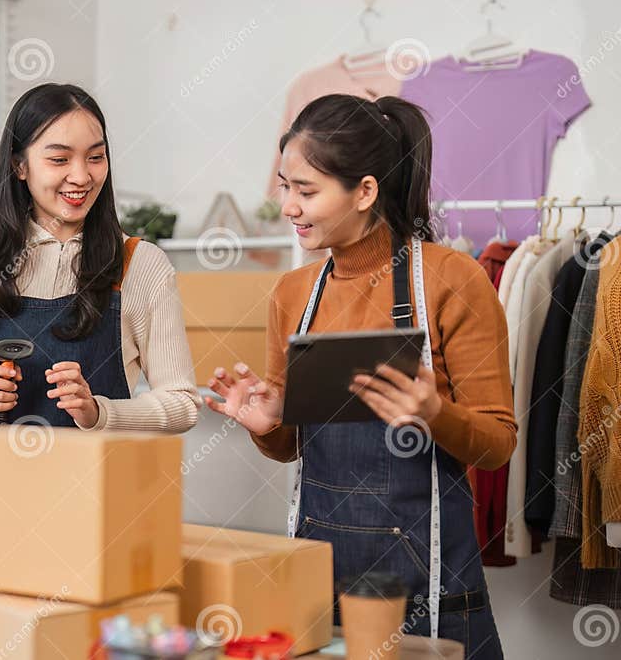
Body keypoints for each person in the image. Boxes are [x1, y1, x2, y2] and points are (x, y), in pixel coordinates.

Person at [205, 93, 515, 658]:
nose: (289, 207)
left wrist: (434, 414)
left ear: (365, 191)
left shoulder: (452, 280)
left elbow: (497, 445)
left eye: (306, 191)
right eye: (285, 187)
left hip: (428, 587)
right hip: (319, 578)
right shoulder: (293, 294)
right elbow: (291, 448)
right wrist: (268, 424)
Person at [0, 83, 199, 432]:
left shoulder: (140, 264)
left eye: (95, 157)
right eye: (59, 159)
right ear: (19, 166)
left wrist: (99, 412)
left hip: (99, 468)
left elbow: (182, 403)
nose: (81, 176)